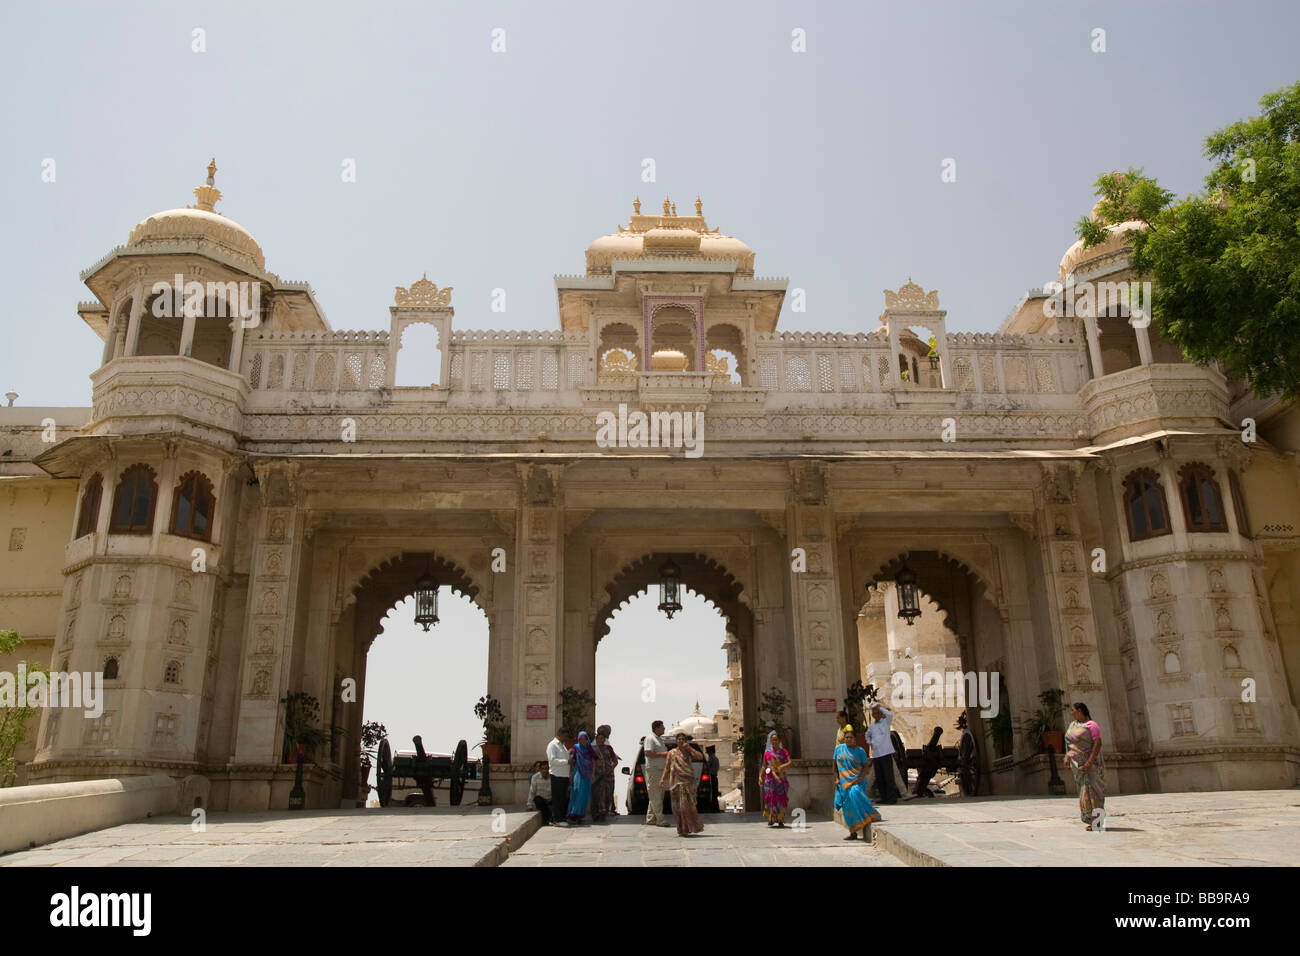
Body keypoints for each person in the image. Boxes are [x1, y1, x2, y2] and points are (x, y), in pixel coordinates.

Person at [833, 725, 881, 840]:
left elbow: (865, 766)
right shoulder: (839, 749)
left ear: (855, 739)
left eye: (851, 737)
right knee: (848, 808)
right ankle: (853, 832)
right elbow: (834, 765)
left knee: (856, 796)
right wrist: (837, 778)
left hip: (857, 782)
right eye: (846, 738)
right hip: (844, 783)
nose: (848, 739)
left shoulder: (860, 751)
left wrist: (860, 778)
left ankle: (870, 815)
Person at [1063, 702, 1105, 829]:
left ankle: (1098, 822)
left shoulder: (1092, 725)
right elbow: (1070, 744)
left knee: (1095, 793)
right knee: (1084, 793)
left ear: (1080, 711)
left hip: (1090, 764)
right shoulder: (1073, 725)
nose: (1072, 713)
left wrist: (1089, 762)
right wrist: (1067, 756)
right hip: (1078, 765)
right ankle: (1091, 821)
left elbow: (1098, 743)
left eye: (1073, 710)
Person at [660, 732, 705, 836]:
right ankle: (680, 828)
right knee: (677, 808)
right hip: (675, 782)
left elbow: (700, 757)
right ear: (676, 741)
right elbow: (667, 767)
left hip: (687, 782)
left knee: (686, 806)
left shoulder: (688, 752)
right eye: (679, 739)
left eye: (683, 739)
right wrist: (662, 779)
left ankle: (687, 828)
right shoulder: (671, 753)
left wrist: (689, 748)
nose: (681, 741)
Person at [865, 703, 899, 804]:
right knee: (880, 777)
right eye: (873, 712)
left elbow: (889, 714)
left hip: (886, 753)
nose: (875, 714)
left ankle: (891, 798)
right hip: (877, 754)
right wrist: (871, 743)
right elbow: (867, 735)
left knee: (888, 776)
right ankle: (884, 797)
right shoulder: (871, 726)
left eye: (877, 712)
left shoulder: (886, 722)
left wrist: (879, 707)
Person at [642, 720, 672, 827]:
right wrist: (664, 754)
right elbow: (648, 752)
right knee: (655, 794)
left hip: (660, 770)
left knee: (657, 795)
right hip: (654, 770)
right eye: (662, 727)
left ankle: (651, 818)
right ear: (656, 728)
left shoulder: (659, 739)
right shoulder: (650, 738)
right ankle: (660, 819)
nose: (664, 729)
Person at [760, 730, 792, 827]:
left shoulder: (783, 752)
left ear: (779, 740)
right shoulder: (767, 753)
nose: (774, 742)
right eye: (772, 740)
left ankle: (780, 818)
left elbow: (790, 762)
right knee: (770, 798)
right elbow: (764, 766)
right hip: (770, 780)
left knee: (781, 798)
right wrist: (760, 777)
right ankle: (771, 818)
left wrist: (782, 766)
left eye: (776, 740)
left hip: (780, 779)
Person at [591, 725, 620, 821]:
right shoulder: (592, 749)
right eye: (599, 738)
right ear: (596, 739)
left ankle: (605, 812)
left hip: (608, 776)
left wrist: (610, 769)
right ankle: (596, 813)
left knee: (608, 794)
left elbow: (615, 761)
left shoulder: (608, 748)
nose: (601, 740)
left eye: (602, 738)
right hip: (597, 776)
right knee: (597, 795)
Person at [566, 730, 596, 824]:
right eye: (581, 739)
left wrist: (593, 773)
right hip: (578, 773)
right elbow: (571, 758)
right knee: (577, 793)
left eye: (584, 738)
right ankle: (573, 814)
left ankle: (580, 815)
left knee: (585, 795)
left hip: (587, 774)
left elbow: (594, 761)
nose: (583, 740)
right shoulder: (576, 747)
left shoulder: (590, 749)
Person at [546, 728, 572, 828]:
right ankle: (557, 819)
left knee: (563, 798)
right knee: (558, 798)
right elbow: (552, 760)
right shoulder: (553, 745)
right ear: (559, 734)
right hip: (557, 775)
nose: (566, 738)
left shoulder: (562, 745)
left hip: (564, 775)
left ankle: (560, 817)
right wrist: (566, 762)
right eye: (565, 736)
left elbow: (564, 757)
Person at [913, 726, 943, 798]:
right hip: (927, 768)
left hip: (929, 766)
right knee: (923, 781)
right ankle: (918, 793)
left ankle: (918, 793)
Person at [704, 745, 721, 814]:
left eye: (708, 752)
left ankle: (714, 809)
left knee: (713, 794)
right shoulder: (715, 758)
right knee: (714, 794)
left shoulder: (712, 758)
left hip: (712, 778)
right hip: (714, 777)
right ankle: (715, 808)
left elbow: (707, 767)